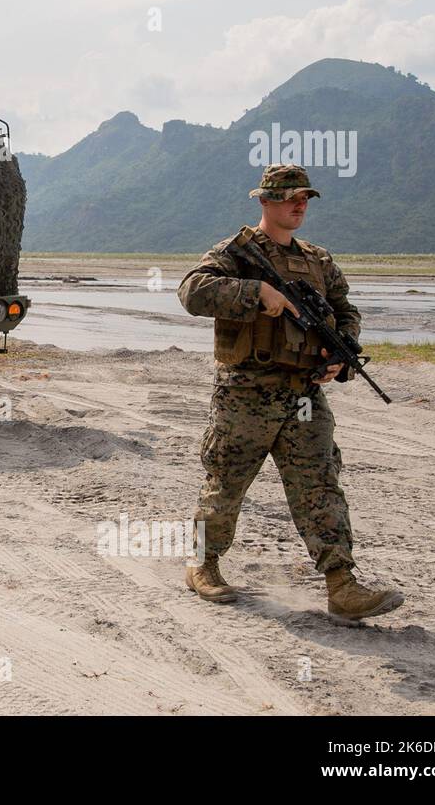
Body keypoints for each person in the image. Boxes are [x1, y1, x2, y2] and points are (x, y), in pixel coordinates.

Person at [176, 163, 404, 624]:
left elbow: (344, 311)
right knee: (227, 483)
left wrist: (341, 355)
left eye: (305, 199)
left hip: (303, 394)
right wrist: (255, 291)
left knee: (320, 486)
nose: (299, 206)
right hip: (247, 392)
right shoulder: (236, 254)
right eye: (289, 198)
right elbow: (192, 292)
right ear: (264, 201)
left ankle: (342, 584)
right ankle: (204, 564)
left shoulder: (318, 260)